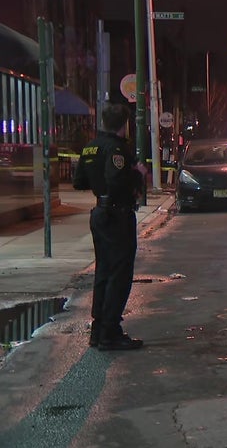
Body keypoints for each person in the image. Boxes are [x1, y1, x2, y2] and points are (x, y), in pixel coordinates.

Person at [73, 101, 146, 351]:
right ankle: (110, 333)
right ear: (124, 125)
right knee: (119, 275)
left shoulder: (90, 148)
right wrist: (137, 173)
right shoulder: (117, 149)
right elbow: (116, 181)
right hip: (117, 215)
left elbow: (79, 181)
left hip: (100, 214)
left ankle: (99, 330)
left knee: (103, 272)